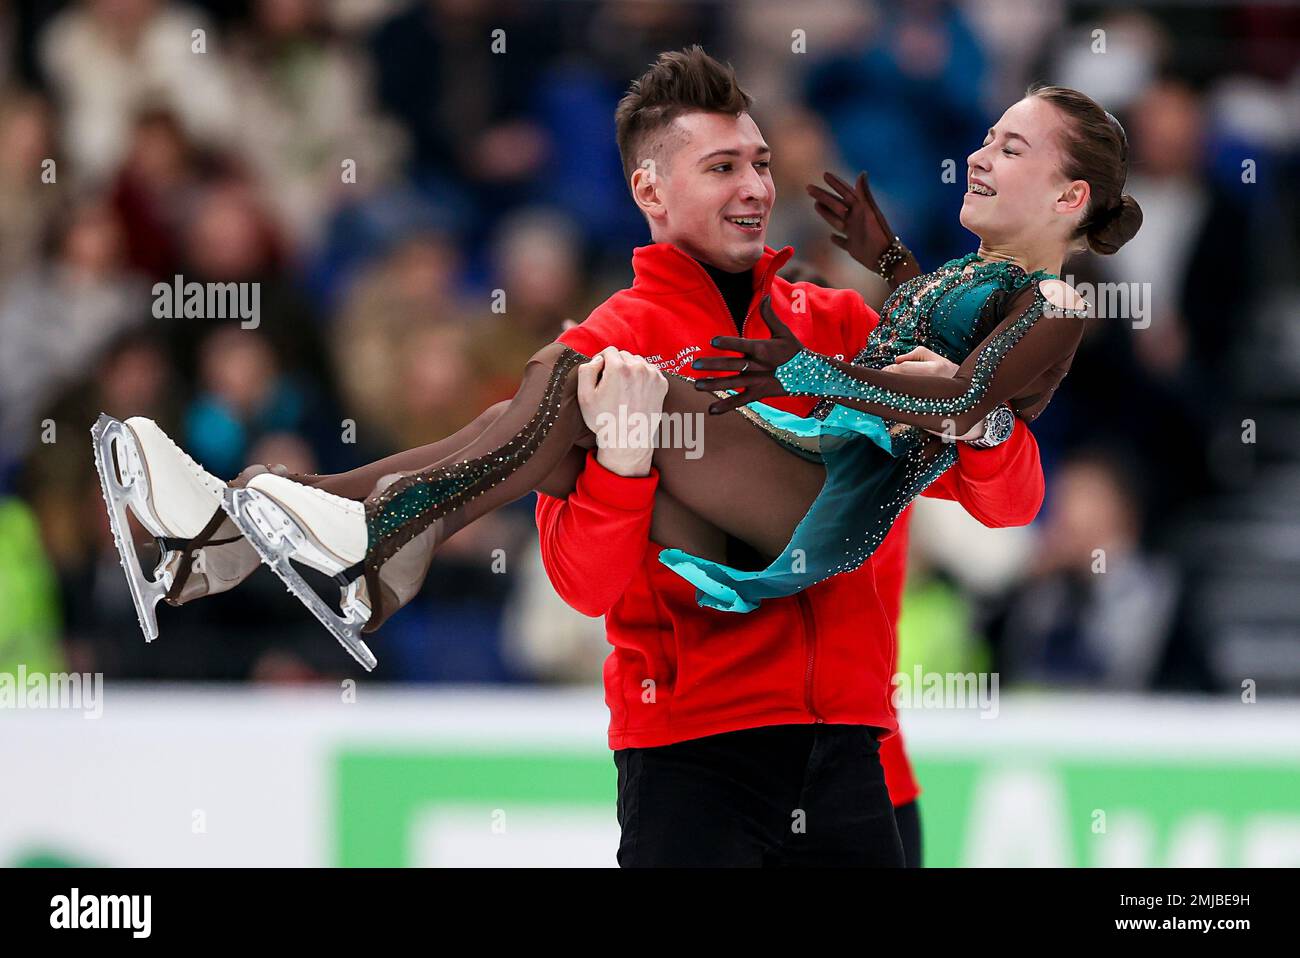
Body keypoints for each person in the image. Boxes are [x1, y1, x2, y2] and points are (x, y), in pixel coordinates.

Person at [97, 50, 1144, 864]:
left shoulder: (832, 320)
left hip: (851, 749)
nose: (752, 187)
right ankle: (294, 532)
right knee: (575, 389)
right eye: (720, 165)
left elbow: (1005, 495)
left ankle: (291, 531)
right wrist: (629, 468)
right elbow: (584, 580)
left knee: (559, 397)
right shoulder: (609, 340)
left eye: (759, 164)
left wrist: (964, 414)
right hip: (689, 750)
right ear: (648, 192)